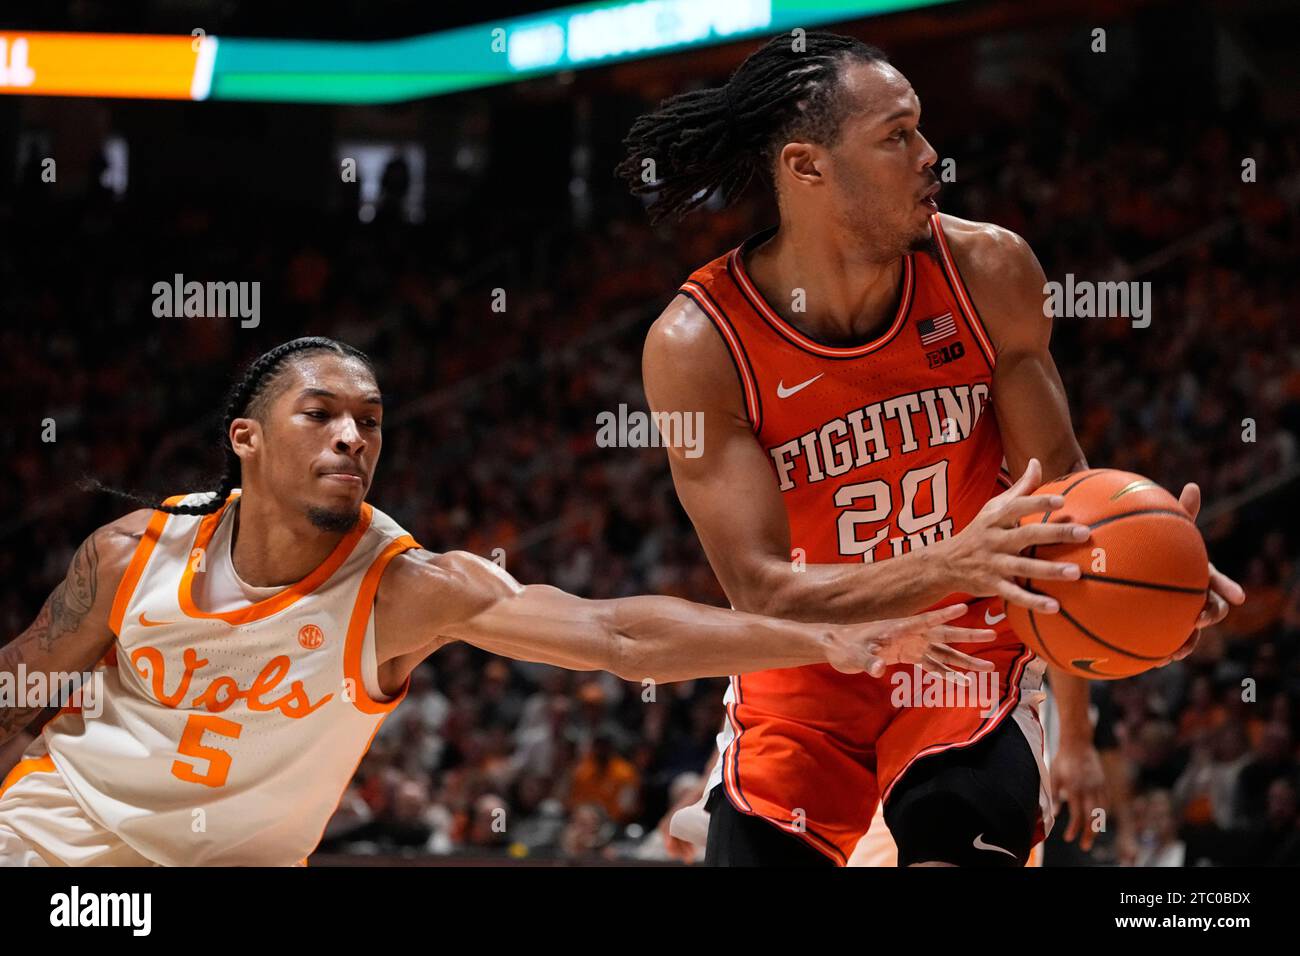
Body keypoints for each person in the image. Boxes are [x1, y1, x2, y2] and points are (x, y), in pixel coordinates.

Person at [0, 336, 995, 867]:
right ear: (245, 439)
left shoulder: (408, 587)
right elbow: (20, 687)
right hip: (50, 837)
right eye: (320, 413)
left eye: (371, 420)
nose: (353, 434)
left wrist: (821, 636)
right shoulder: (133, 551)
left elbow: (614, 632)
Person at [621, 32, 1244, 866]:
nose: (931, 156)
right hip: (804, 674)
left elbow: (1059, 503)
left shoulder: (988, 271)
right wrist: (959, 559)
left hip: (968, 665)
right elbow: (759, 586)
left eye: (920, 129)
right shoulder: (699, 342)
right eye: (897, 136)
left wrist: (1143, 565)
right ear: (806, 167)